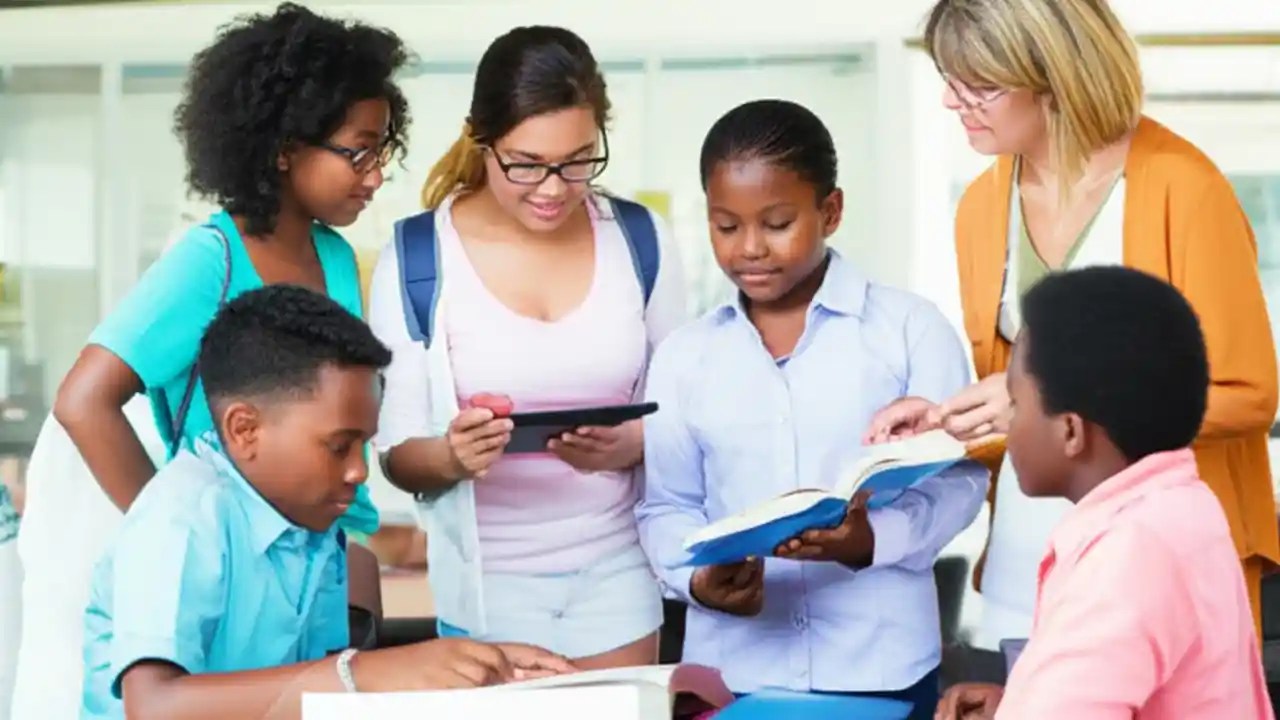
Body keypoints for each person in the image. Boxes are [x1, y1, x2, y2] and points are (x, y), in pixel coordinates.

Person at [868, 0, 1279, 657]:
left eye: (979, 84)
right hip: (1026, 575)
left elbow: (1249, 395)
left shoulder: (1184, 187)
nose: (953, 101)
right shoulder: (981, 206)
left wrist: (1045, 397)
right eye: (950, 77)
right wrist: (949, 424)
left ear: (1053, 75)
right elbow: (1024, 412)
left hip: (1163, 574)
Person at [636, 99, 988, 718]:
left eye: (776, 223)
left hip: (880, 667)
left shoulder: (909, 329)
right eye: (725, 226)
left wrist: (869, 539)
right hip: (733, 670)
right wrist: (696, 582)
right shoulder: (685, 356)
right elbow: (667, 505)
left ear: (831, 210)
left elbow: (959, 482)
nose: (750, 248)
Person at [80, 285, 574, 719]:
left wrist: (466, 668)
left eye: (364, 445)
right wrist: (373, 672)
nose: (359, 471)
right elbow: (153, 706)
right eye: (339, 446)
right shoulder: (183, 516)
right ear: (244, 429)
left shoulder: (308, 521)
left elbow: (317, 687)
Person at [369, 25, 686, 669]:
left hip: (620, 572)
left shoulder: (640, 240)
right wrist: (454, 456)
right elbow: (398, 457)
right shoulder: (418, 256)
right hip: (485, 592)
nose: (552, 188)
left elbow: (688, 413)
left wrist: (631, 446)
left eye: (577, 161)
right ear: (479, 139)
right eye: (526, 163)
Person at [936, 266, 1273, 720]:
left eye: (1015, 404)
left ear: (1071, 431)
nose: (1007, 427)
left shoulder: (1127, 555)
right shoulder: (1184, 506)